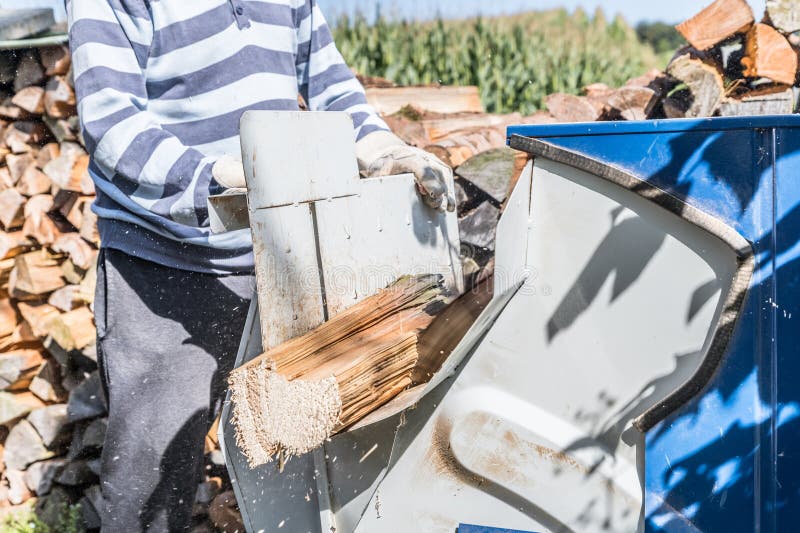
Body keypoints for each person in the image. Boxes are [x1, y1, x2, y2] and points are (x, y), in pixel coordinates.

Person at [67, 0, 455, 530]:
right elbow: (110, 121)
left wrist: (378, 143)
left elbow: (329, 82)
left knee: (304, 458)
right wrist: (213, 177)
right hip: (165, 268)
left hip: (282, 258)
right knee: (151, 477)